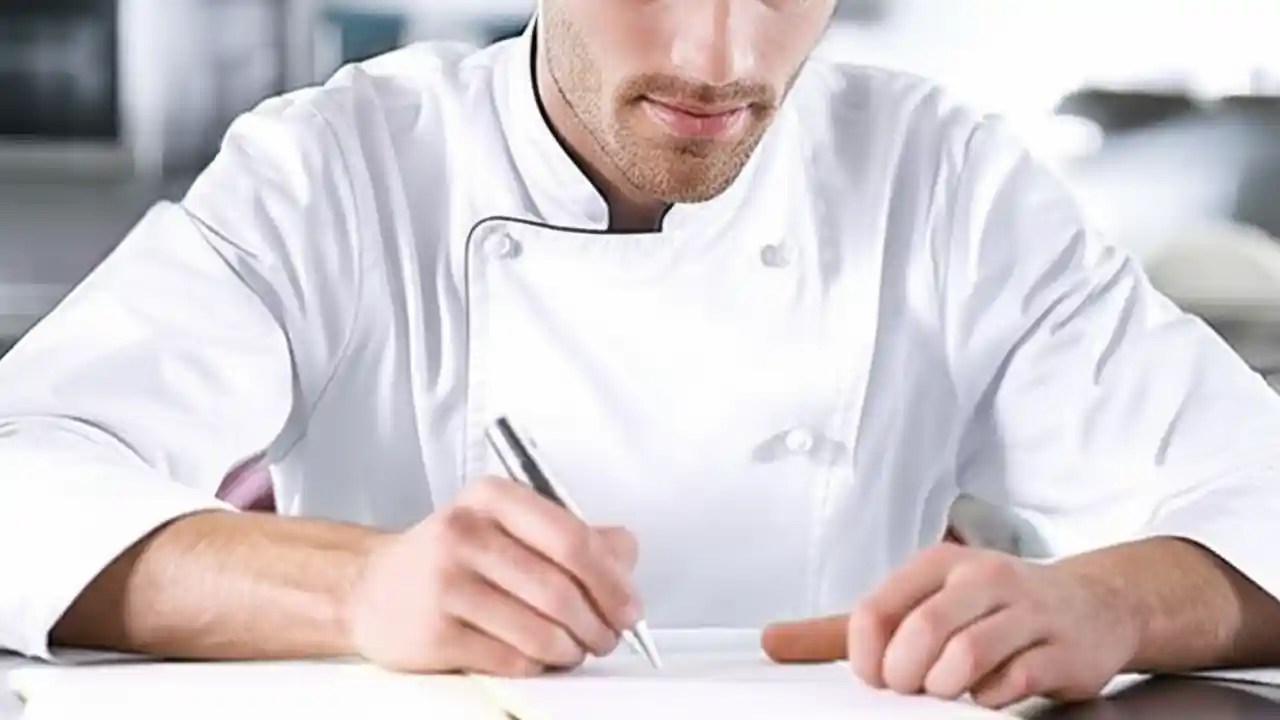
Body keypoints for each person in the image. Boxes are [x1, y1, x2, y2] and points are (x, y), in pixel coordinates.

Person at [2, 0, 1279, 709]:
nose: (717, 59)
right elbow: (20, 476)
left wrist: (1103, 604)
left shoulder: (938, 179)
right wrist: (356, 590)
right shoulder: (341, 163)